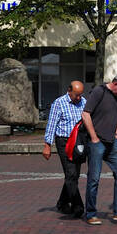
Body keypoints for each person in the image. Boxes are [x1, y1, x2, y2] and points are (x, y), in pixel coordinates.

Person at [81, 73, 117, 225]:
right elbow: (85, 114)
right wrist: (94, 137)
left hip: (112, 142)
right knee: (94, 178)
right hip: (97, 141)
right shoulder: (99, 91)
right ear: (115, 83)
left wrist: (116, 133)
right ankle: (90, 213)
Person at [45, 81, 86, 217]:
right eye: (76, 95)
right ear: (69, 90)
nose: (78, 98)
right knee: (71, 174)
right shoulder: (59, 103)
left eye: (80, 95)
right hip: (64, 141)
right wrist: (47, 145)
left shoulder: (83, 102)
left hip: (78, 141)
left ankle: (62, 202)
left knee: (74, 175)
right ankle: (78, 206)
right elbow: (52, 124)